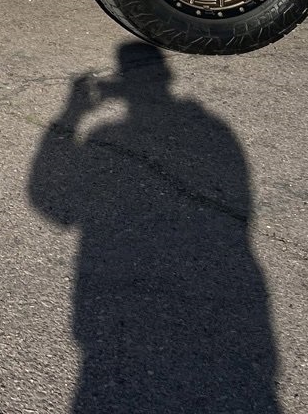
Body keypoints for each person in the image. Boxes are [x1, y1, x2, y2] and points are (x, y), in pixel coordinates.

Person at [28, 42, 279, 413]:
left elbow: (54, 206)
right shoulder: (214, 130)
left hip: (116, 327)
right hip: (234, 299)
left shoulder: (108, 133)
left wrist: (73, 111)